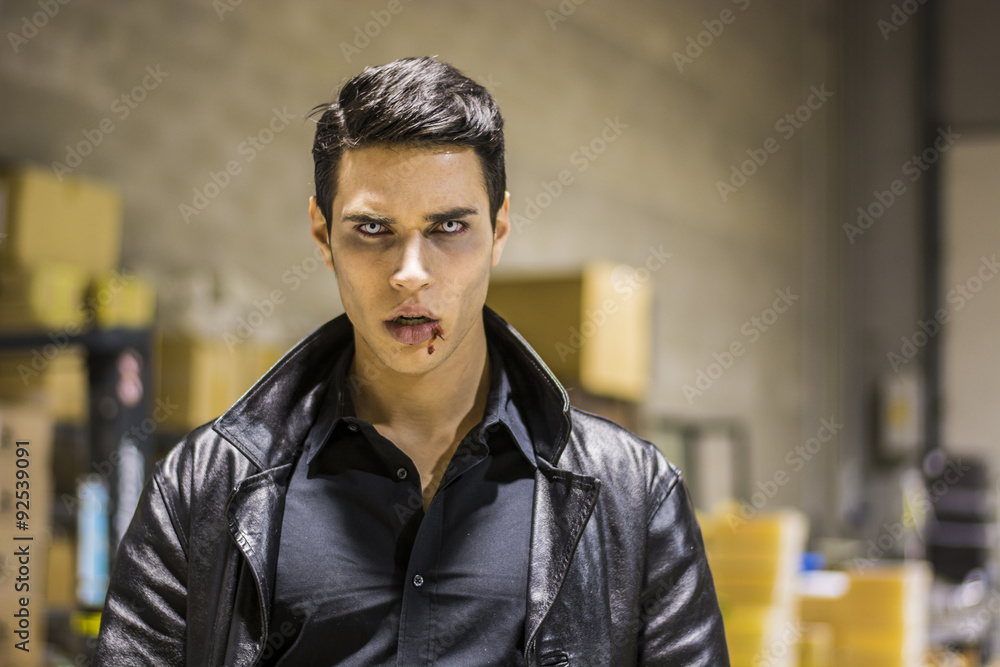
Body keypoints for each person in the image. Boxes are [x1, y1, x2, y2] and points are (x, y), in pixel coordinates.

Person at [94, 56, 728, 666]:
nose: (410, 274)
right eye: (373, 229)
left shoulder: (634, 497)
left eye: (449, 228)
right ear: (322, 236)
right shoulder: (203, 489)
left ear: (499, 232)